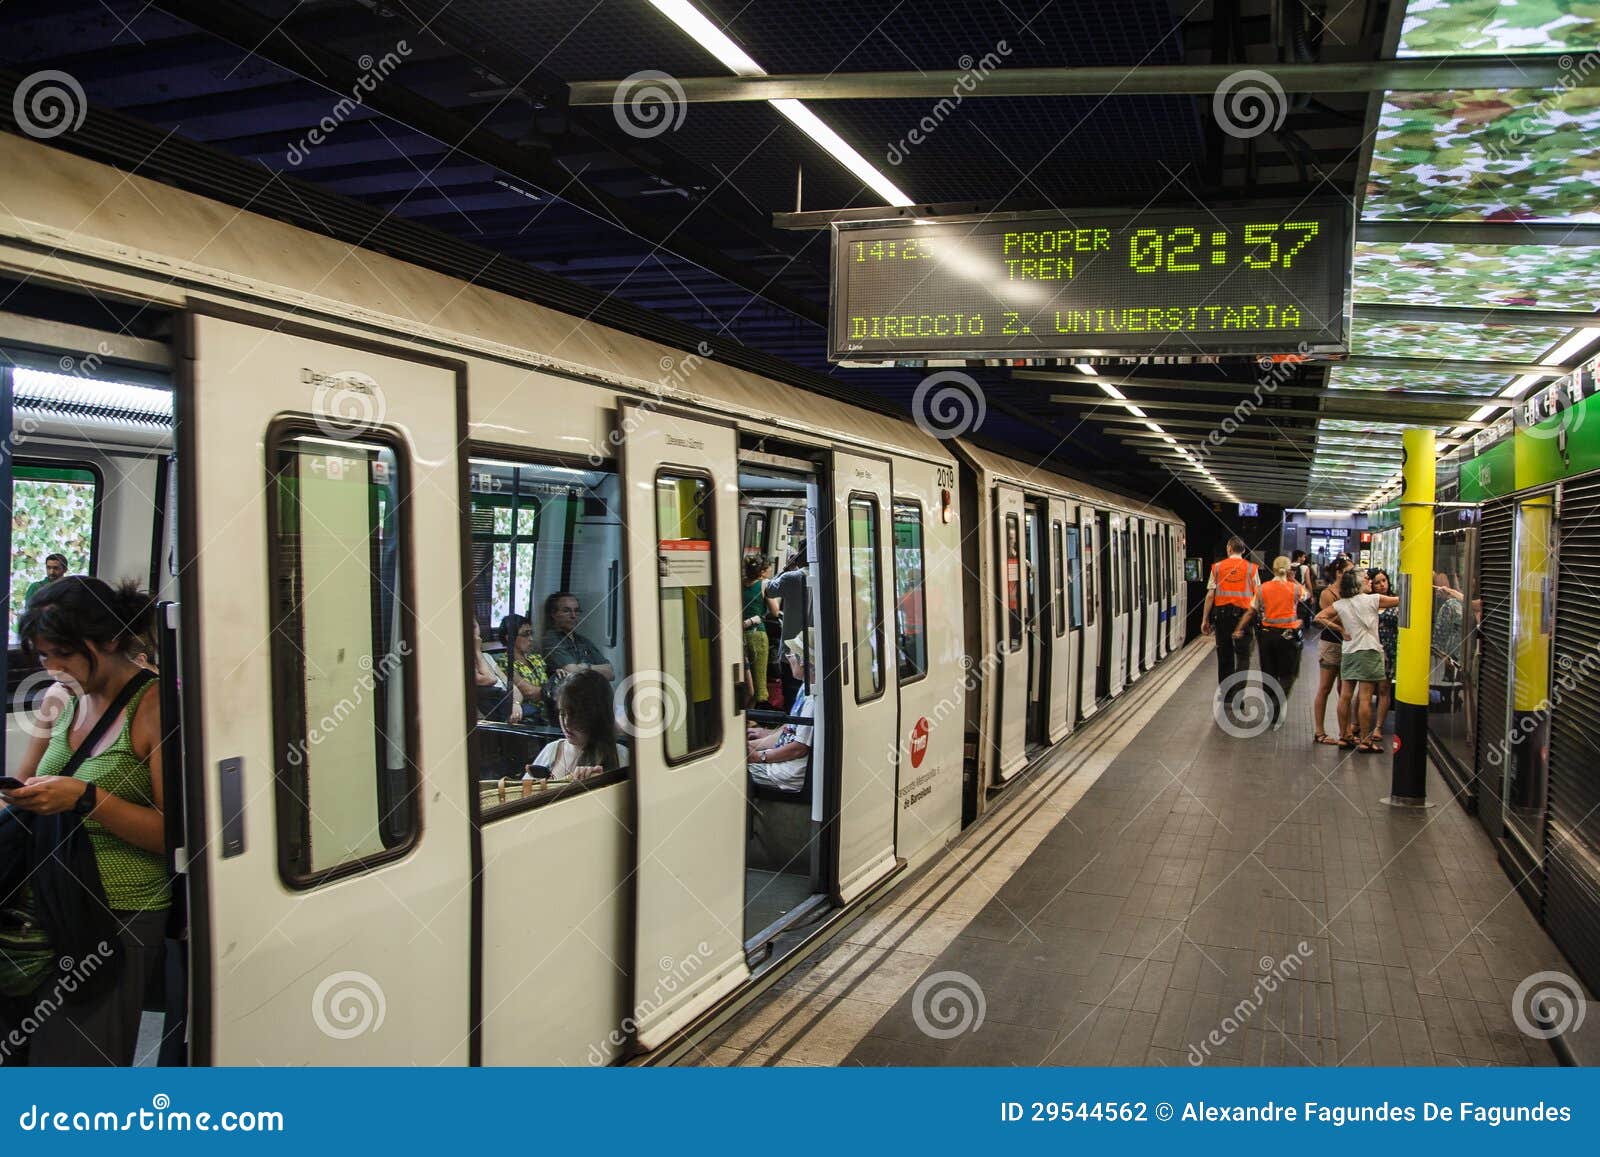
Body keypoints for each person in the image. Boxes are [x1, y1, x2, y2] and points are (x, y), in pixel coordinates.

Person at [1, 576, 165, 1065]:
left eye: (64, 656)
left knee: (75, 1066)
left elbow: (173, 835)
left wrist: (85, 798)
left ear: (109, 641)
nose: (53, 669)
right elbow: (26, 784)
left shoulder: (154, 708)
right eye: (44, 657)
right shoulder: (61, 700)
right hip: (45, 904)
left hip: (115, 913)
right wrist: (23, 795)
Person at [1315, 569, 1400, 753]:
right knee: (1365, 697)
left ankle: (1344, 737)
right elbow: (1401, 599)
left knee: (1345, 695)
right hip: (1369, 651)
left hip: (1349, 651)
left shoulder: (1341, 604)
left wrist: (1340, 629)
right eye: (1366, 579)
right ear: (1357, 584)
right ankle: (1365, 740)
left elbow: (1319, 617)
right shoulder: (1373, 600)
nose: (1369, 582)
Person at [748, 635, 815, 793]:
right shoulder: (806, 688)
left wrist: (758, 757)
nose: (787, 659)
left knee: (734, 772)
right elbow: (791, 731)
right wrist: (757, 742)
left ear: (803, 662)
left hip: (785, 773)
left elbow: (798, 748)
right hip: (782, 765)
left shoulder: (813, 701)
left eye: (790, 655)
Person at [1200, 537, 1259, 712]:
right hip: (1244, 618)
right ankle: (1238, 698)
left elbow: (1211, 595)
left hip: (1223, 617)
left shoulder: (1217, 568)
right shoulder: (1252, 569)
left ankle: (1226, 695)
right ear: (1243, 551)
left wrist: (1205, 619)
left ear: (1229, 548)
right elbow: (1258, 596)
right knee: (1243, 657)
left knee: (1224, 655)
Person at [529, 669, 619, 782]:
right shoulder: (551, 750)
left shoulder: (621, 755)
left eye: (575, 714)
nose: (566, 723)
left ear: (595, 715)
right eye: (562, 713)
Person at [1251, 555, 1308, 731]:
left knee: (1268, 673)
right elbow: (1307, 596)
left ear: (1273, 569)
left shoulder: (1262, 588)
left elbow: (1254, 607)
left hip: (1267, 636)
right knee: (1288, 674)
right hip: (1288, 637)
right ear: (1289, 569)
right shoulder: (1294, 588)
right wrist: (1294, 580)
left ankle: (1271, 705)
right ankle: (1278, 702)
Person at [1311, 557, 1353, 746]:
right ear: (1339, 572)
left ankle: (1346, 731)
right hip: (1331, 644)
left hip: (1349, 644)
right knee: (1325, 687)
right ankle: (1319, 732)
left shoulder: (1350, 592)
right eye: (1349, 571)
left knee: (1345, 689)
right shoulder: (1328, 593)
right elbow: (1329, 617)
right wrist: (1344, 627)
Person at [764, 552, 809, 705]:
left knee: (792, 693)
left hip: (793, 650)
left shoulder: (791, 578)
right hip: (815, 650)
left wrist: (786, 568)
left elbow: (769, 590)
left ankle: (792, 726)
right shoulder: (827, 575)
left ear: (798, 558)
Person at [541, 592, 614, 682]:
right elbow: (572, 671)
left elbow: (610, 673)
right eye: (566, 611)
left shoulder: (583, 641)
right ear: (554, 614)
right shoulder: (551, 639)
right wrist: (593, 668)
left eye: (576, 611)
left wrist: (585, 667)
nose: (573, 616)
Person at [498, 613, 547, 726]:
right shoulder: (505, 663)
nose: (531, 639)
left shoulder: (536, 659)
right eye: (525, 634)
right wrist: (554, 691)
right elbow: (528, 692)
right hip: (531, 719)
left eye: (531, 634)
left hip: (549, 711)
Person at [741, 556, 773, 708]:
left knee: (745, 679)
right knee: (758, 679)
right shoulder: (764, 585)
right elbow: (775, 611)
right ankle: (750, 718)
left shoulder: (740, 583)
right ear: (762, 572)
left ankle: (745, 715)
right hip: (757, 635)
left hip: (739, 635)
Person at [1371, 570, 1398, 736]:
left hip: (1389, 650)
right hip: (1370, 648)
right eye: (1377, 582)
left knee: (1384, 688)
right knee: (1365, 689)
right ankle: (1357, 723)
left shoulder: (1395, 601)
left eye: (1384, 581)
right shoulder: (1369, 602)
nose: (1382, 585)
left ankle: (1378, 727)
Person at [471, 619, 514, 722]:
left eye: (474, 627)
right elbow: (490, 679)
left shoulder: (486, 656)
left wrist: (515, 704)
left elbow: (512, 687)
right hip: (490, 716)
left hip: (509, 705)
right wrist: (476, 650)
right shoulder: (460, 660)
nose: (473, 633)